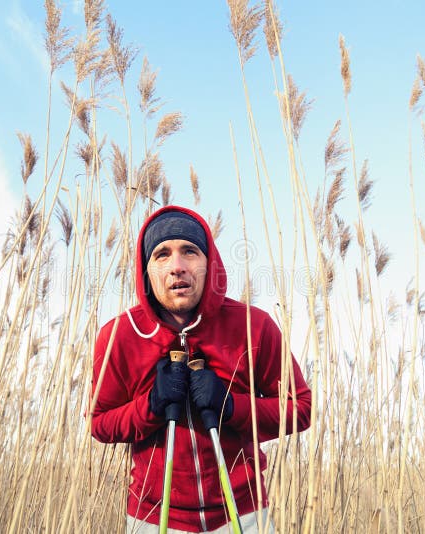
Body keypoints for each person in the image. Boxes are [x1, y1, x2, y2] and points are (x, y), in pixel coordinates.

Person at [90, 206, 312, 533]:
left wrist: (231, 405)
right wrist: (150, 406)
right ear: (146, 270)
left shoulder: (254, 326)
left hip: (243, 513)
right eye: (162, 255)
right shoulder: (120, 335)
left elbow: (300, 408)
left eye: (190, 252)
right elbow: (100, 423)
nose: (177, 267)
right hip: (153, 517)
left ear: (210, 263)